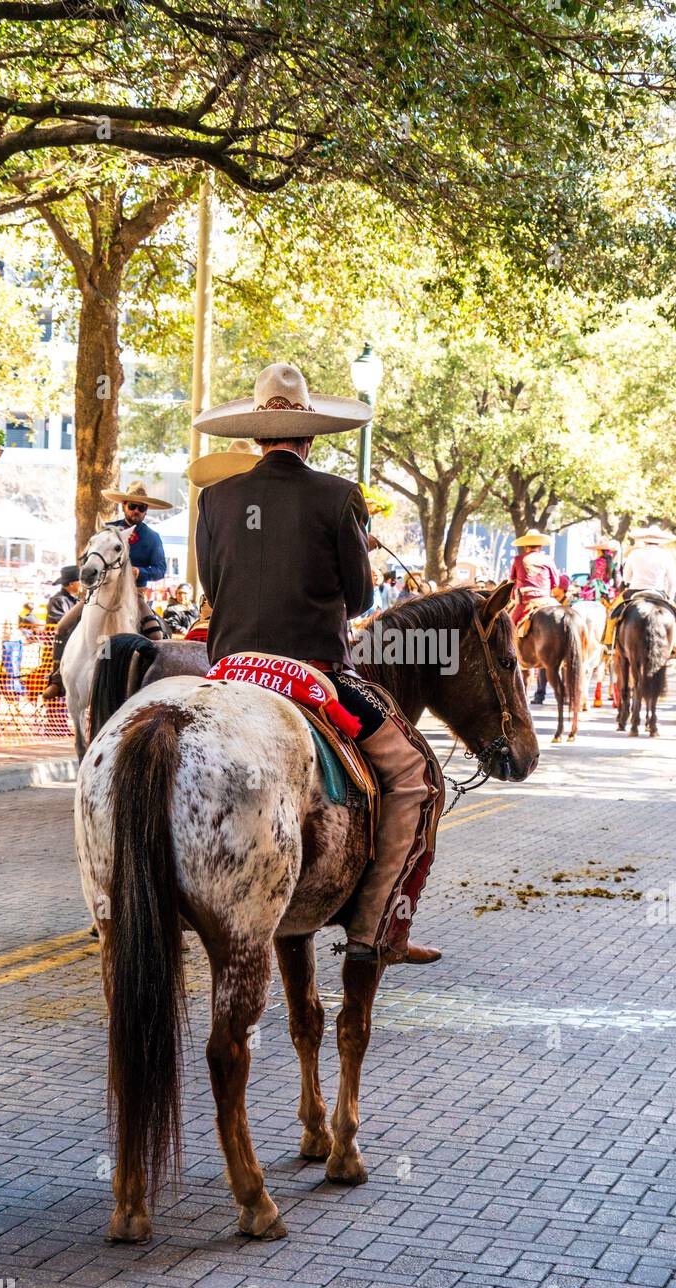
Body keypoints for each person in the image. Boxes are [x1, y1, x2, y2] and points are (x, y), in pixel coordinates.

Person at [190, 361, 444, 967]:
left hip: (228, 672)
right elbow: (358, 599)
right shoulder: (339, 496)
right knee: (416, 777)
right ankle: (377, 927)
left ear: (256, 438)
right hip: (311, 672)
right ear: (310, 437)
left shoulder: (217, 497)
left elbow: (213, 585)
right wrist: (357, 546)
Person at [42, 481, 170, 699]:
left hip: (134, 596)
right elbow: (91, 556)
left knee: (157, 635)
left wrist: (141, 573)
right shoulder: (107, 530)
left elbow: (160, 569)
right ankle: (57, 679)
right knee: (63, 626)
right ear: (124, 506)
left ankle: (152, 683)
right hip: (99, 593)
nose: (137, 511)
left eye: (142, 508)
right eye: (133, 506)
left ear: (146, 511)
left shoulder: (152, 537)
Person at [602, 526, 676, 647]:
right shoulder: (667, 556)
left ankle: (609, 642)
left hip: (634, 592)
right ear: (660, 540)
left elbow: (626, 578)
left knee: (613, 613)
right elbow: (672, 582)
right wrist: (669, 599)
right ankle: (675, 644)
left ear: (645, 539)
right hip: (659, 593)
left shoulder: (635, 553)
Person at [508, 531, 559, 630]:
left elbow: (512, 581)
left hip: (525, 601)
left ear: (525, 546)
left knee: (509, 628)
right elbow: (555, 583)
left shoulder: (518, 559)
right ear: (540, 546)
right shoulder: (548, 559)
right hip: (546, 599)